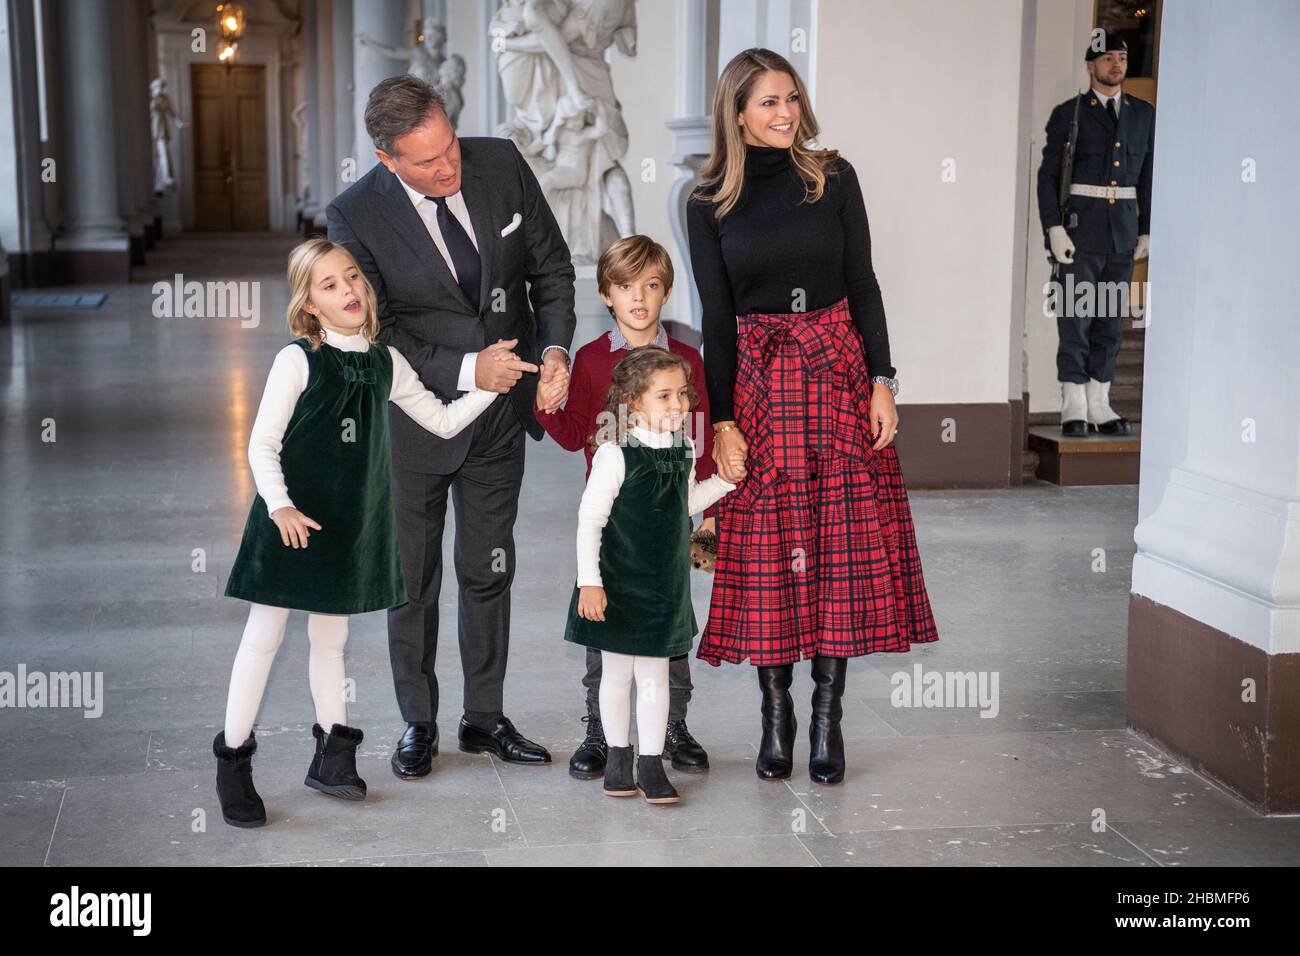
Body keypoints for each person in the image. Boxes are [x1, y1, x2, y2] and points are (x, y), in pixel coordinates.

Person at [686, 48, 939, 786]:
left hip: (836, 373)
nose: (785, 113)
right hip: (760, 388)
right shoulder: (707, 201)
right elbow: (717, 316)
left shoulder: (833, 177)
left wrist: (883, 381)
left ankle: (827, 715)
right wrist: (724, 422)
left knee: (838, 550)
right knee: (768, 549)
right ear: (737, 112)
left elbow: (863, 281)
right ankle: (776, 714)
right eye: (768, 102)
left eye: (791, 98)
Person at [214, 239, 525, 828]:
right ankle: (234, 760)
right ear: (309, 304)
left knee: (331, 642)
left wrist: (491, 383)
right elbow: (262, 443)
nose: (348, 291)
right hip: (290, 522)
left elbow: (438, 418)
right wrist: (279, 505)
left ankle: (333, 755)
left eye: (352, 276)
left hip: (347, 525)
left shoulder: (385, 361)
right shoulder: (298, 360)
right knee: (265, 638)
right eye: (329, 285)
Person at [327, 75, 576, 778]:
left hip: (499, 419)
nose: (449, 167)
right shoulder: (354, 217)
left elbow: (551, 270)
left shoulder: (498, 161)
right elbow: (374, 330)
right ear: (388, 160)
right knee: (414, 579)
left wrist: (553, 350)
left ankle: (484, 717)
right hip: (411, 423)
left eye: (450, 147)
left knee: (488, 567)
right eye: (428, 161)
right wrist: (470, 368)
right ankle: (418, 722)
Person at [535, 234, 717, 779]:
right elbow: (576, 436)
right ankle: (600, 732)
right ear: (607, 295)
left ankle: (672, 729)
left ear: (666, 294)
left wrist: (707, 516)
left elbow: (701, 440)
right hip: (615, 522)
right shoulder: (592, 360)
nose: (638, 297)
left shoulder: (687, 358)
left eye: (651, 286)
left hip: (671, 515)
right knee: (606, 627)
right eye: (624, 286)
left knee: (670, 625)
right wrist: (546, 407)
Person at [562, 347, 737, 804]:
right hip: (618, 583)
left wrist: (723, 482)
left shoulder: (683, 446)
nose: (679, 405)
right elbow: (590, 520)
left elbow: (684, 504)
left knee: (657, 677)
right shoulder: (615, 452)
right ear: (634, 401)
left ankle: (652, 764)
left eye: (682, 394)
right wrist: (590, 582)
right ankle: (619, 759)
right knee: (617, 675)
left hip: (664, 586)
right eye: (664, 396)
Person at [1037, 29, 1154, 436]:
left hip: (1121, 236)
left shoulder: (1143, 115)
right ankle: (1074, 406)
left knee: (1108, 320)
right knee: (1076, 319)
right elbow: (1049, 176)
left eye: (1121, 57)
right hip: (1079, 234)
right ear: (1091, 65)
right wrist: (1053, 228)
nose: (1116, 64)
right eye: (1107, 58)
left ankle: (1100, 404)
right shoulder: (1069, 114)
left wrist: (1146, 230)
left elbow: (1149, 179)